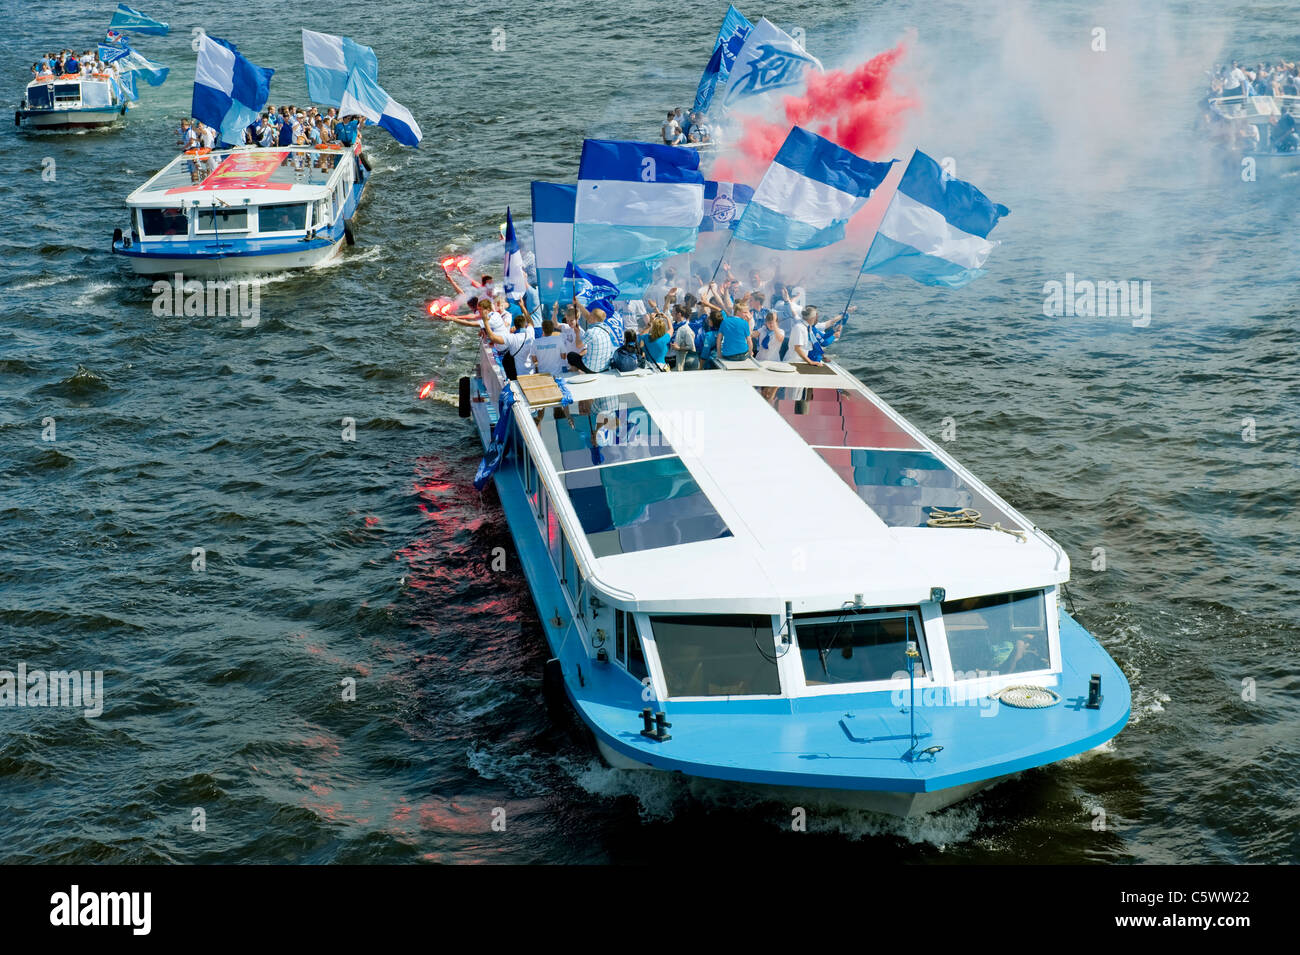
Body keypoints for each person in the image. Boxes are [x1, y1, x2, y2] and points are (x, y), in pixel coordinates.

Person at [483, 313, 535, 381]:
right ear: (525, 324)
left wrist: (485, 322)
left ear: (515, 326)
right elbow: (531, 322)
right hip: (532, 372)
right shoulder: (530, 332)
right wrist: (523, 307)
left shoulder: (512, 338)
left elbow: (493, 338)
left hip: (519, 375)